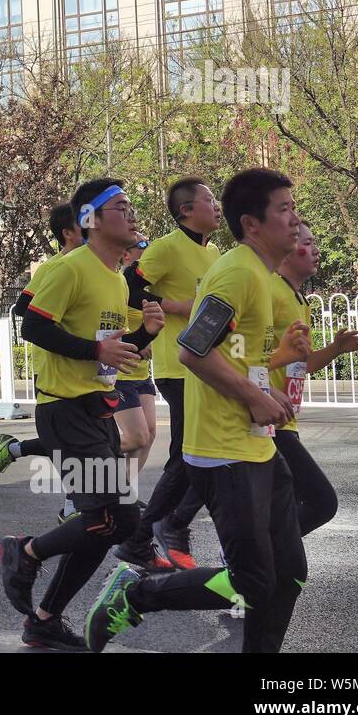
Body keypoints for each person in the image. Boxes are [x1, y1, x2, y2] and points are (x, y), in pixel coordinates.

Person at [85, 168, 308, 654]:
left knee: (288, 576)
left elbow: (239, 355)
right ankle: (137, 593)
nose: (296, 222)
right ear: (252, 223)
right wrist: (254, 398)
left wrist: (271, 389)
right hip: (222, 452)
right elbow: (192, 350)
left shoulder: (258, 273)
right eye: (285, 211)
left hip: (256, 445)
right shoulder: (236, 273)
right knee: (254, 582)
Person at [0, 179, 163, 650]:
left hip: (98, 411)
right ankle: (24, 551)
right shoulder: (69, 269)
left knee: (113, 523)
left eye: (132, 207)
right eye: (122, 208)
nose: (132, 216)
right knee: (115, 519)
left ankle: (44, 619)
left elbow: (108, 355)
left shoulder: (113, 278)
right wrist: (96, 347)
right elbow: (31, 325)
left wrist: (145, 334)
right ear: (91, 219)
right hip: (64, 411)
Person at [114, 177, 224, 571]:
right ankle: (155, 531)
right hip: (179, 367)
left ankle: (149, 535)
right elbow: (128, 287)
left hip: (209, 366)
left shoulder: (216, 254)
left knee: (200, 454)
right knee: (187, 456)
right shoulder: (165, 248)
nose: (216, 205)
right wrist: (177, 305)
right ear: (185, 211)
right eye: (209, 199)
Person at [268, 222, 358, 535]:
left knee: (285, 502)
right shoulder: (269, 291)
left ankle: (256, 559)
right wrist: (266, 391)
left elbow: (303, 363)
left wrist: (336, 349)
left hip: (285, 420)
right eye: (308, 243)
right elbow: (234, 356)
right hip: (264, 419)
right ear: (286, 248)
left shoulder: (298, 299)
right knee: (321, 501)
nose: (316, 250)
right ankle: (253, 556)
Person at [0, 202, 84, 483]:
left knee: (88, 440)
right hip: (54, 367)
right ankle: (78, 505)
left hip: (96, 371)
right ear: (68, 233)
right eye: (84, 223)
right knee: (66, 439)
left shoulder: (103, 268)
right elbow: (22, 309)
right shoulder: (53, 268)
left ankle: (14, 450)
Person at [113, 234, 159, 487]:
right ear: (126, 254)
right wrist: (140, 343)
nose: (147, 249)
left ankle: (121, 491)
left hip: (141, 374)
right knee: (135, 438)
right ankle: (86, 451)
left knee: (150, 434)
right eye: (142, 245)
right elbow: (111, 330)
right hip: (120, 375)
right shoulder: (119, 285)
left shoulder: (146, 288)